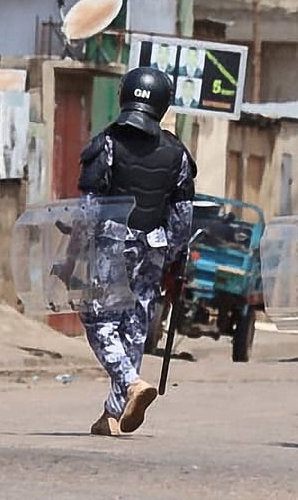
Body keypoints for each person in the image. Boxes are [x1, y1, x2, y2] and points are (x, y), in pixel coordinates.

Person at [77, 66, 197, 437]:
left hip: (112, 245)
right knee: (134, 328)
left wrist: (77, 252)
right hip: (154, 248)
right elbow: (182, 215)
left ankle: (130, 383)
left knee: (99, 321)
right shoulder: (177, 153)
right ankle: (113, 413)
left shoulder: (107, 143)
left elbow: (89, 208)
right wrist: (175, 261)